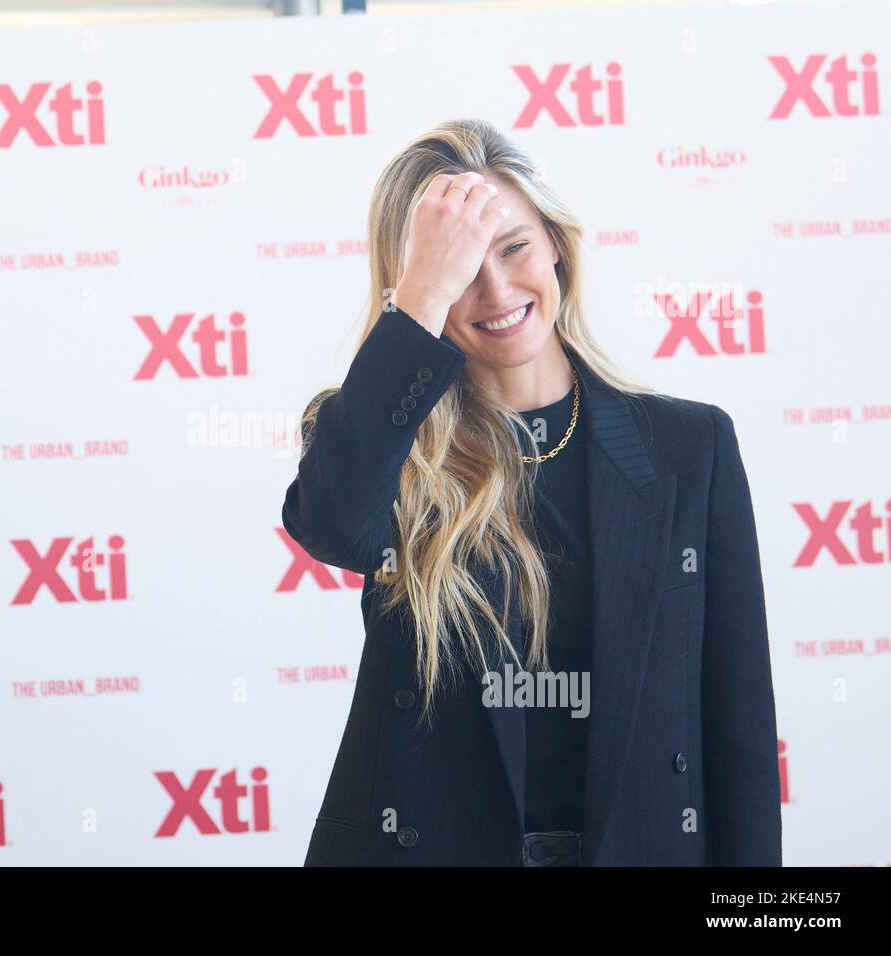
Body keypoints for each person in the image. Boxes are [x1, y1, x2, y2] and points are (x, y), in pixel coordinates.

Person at [282, 118, 782, 866]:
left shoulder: (691, 446)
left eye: (514, 246)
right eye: (459, 269)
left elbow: (737, 727)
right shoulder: (379, 438)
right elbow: (330, 526)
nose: (496, 288)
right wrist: (419, 293)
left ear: (556, 244)